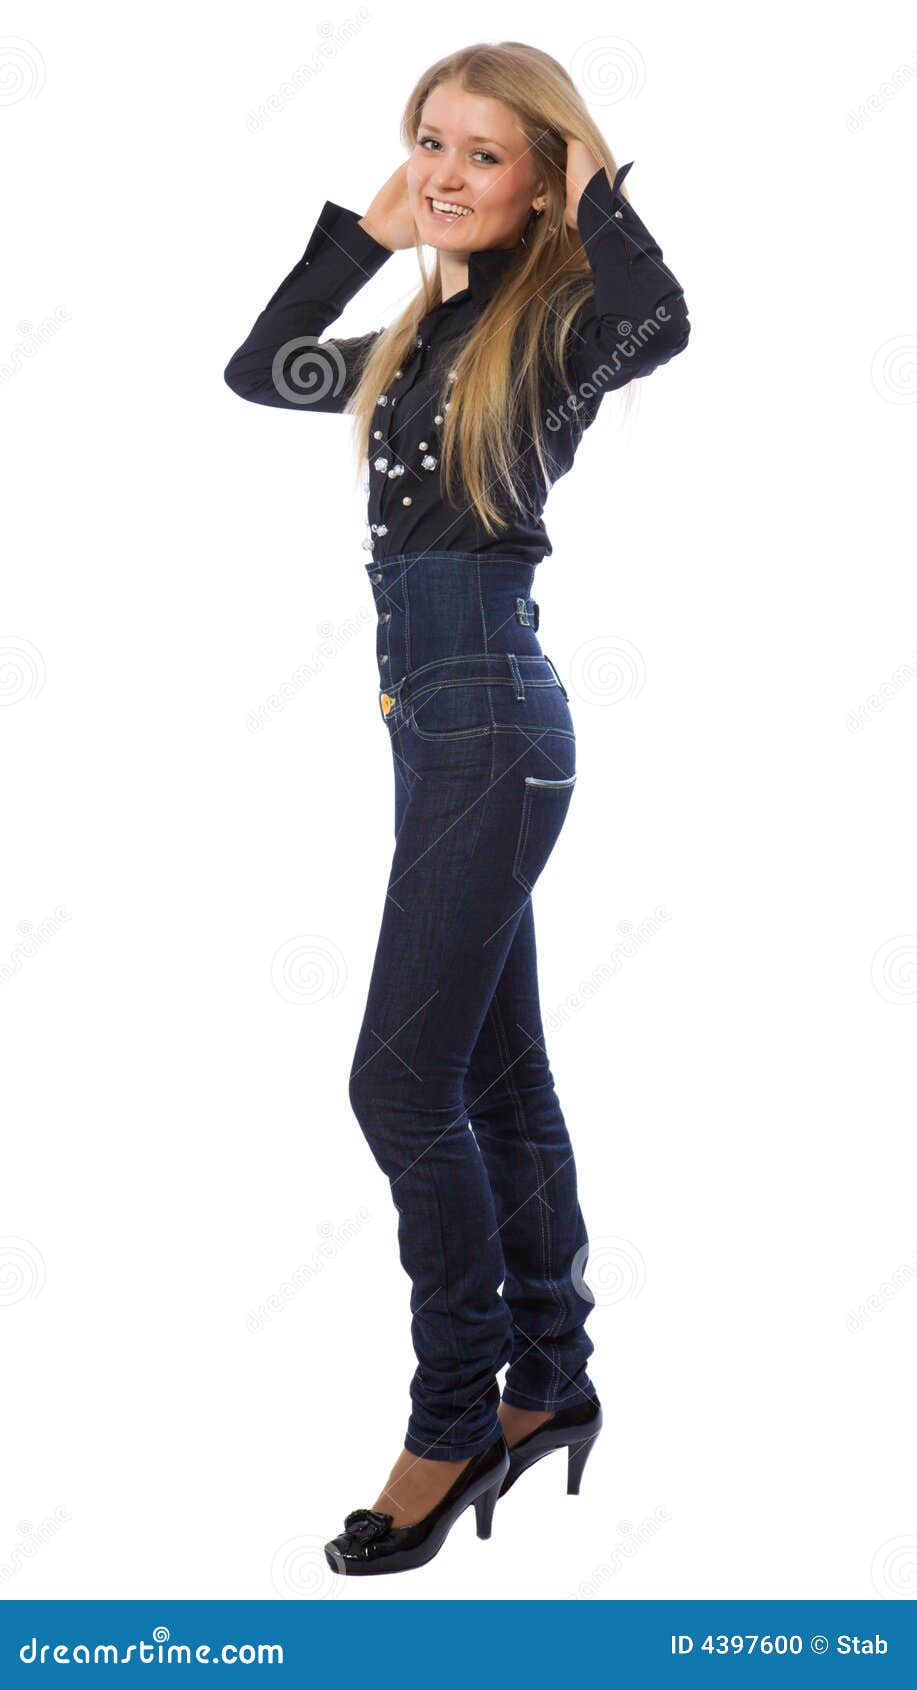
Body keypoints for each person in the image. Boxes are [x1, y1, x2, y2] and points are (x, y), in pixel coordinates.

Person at [224, 39, 690, 1576]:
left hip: (489, 715)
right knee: (490, 1078)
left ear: (547, 173)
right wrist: (370, 232)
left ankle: (452, 1412)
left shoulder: (556, 322)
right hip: (436, 727)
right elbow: (261, 367)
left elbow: (662, 318)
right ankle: (549, 1384)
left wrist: (599, 194)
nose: (441, 168)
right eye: (427, 140)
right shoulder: (434, 330)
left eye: (480, 152)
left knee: (394, 1087)